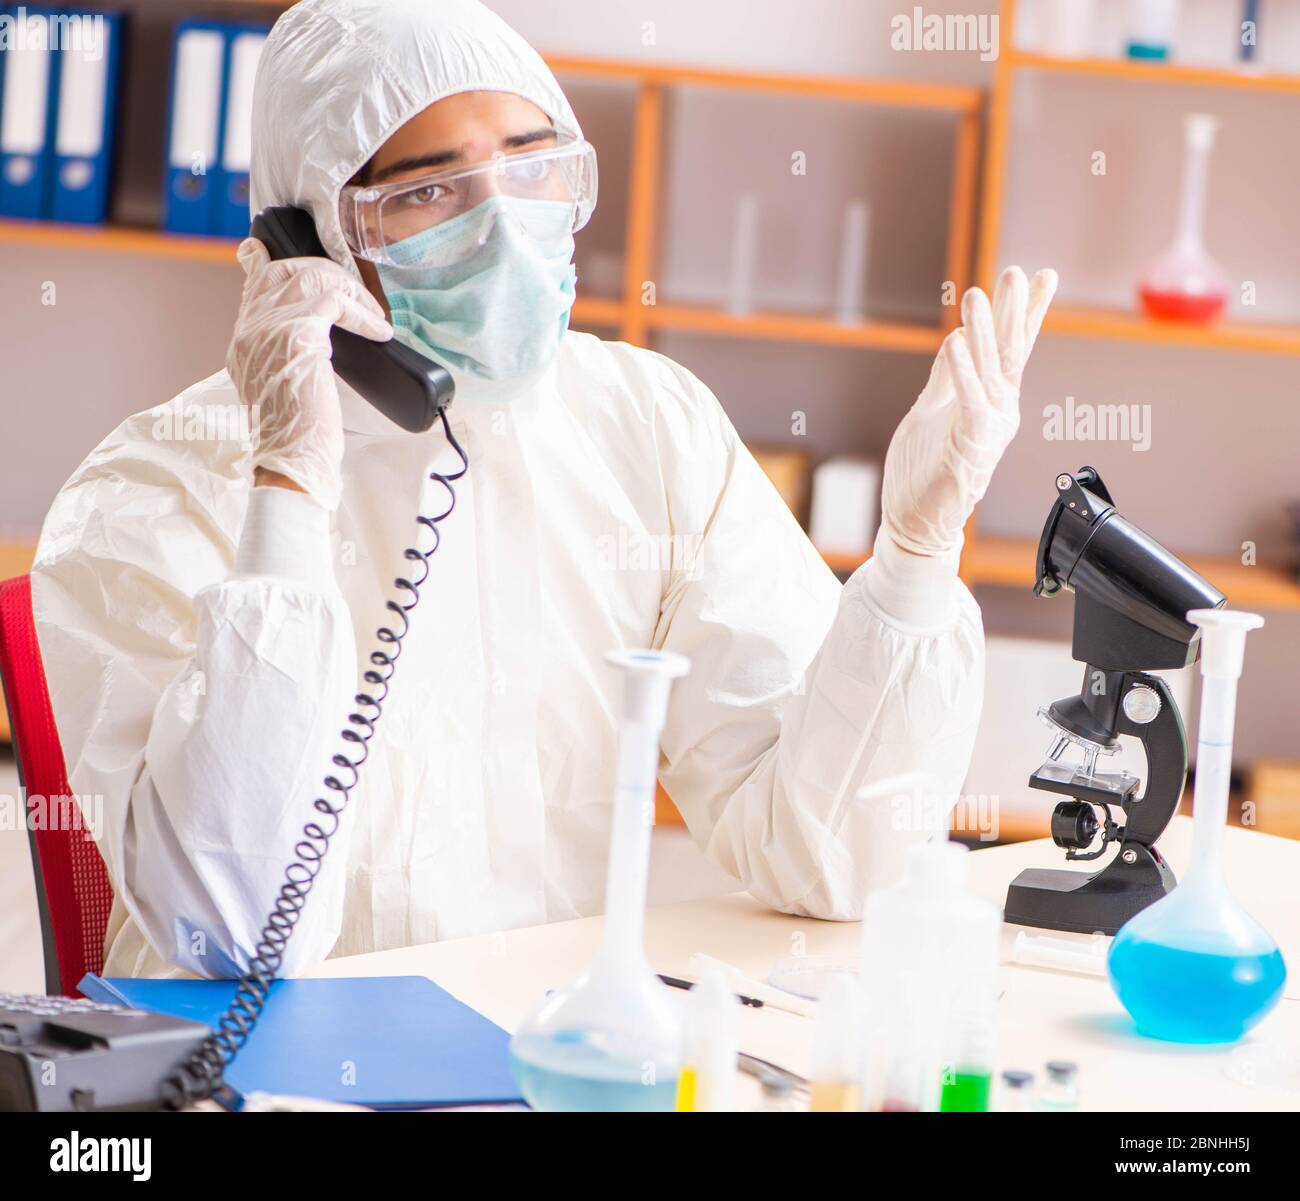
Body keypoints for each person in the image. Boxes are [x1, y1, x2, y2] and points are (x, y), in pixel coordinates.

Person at [32, 0, 1057, 978]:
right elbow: (236, 930)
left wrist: (916, 556)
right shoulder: (148, 495)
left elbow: (828, 858)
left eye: (532, 164)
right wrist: (289, 481)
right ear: (316, 244)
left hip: (536, 1052)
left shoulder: (646, 427)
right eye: (429, 190)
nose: (504, 227)